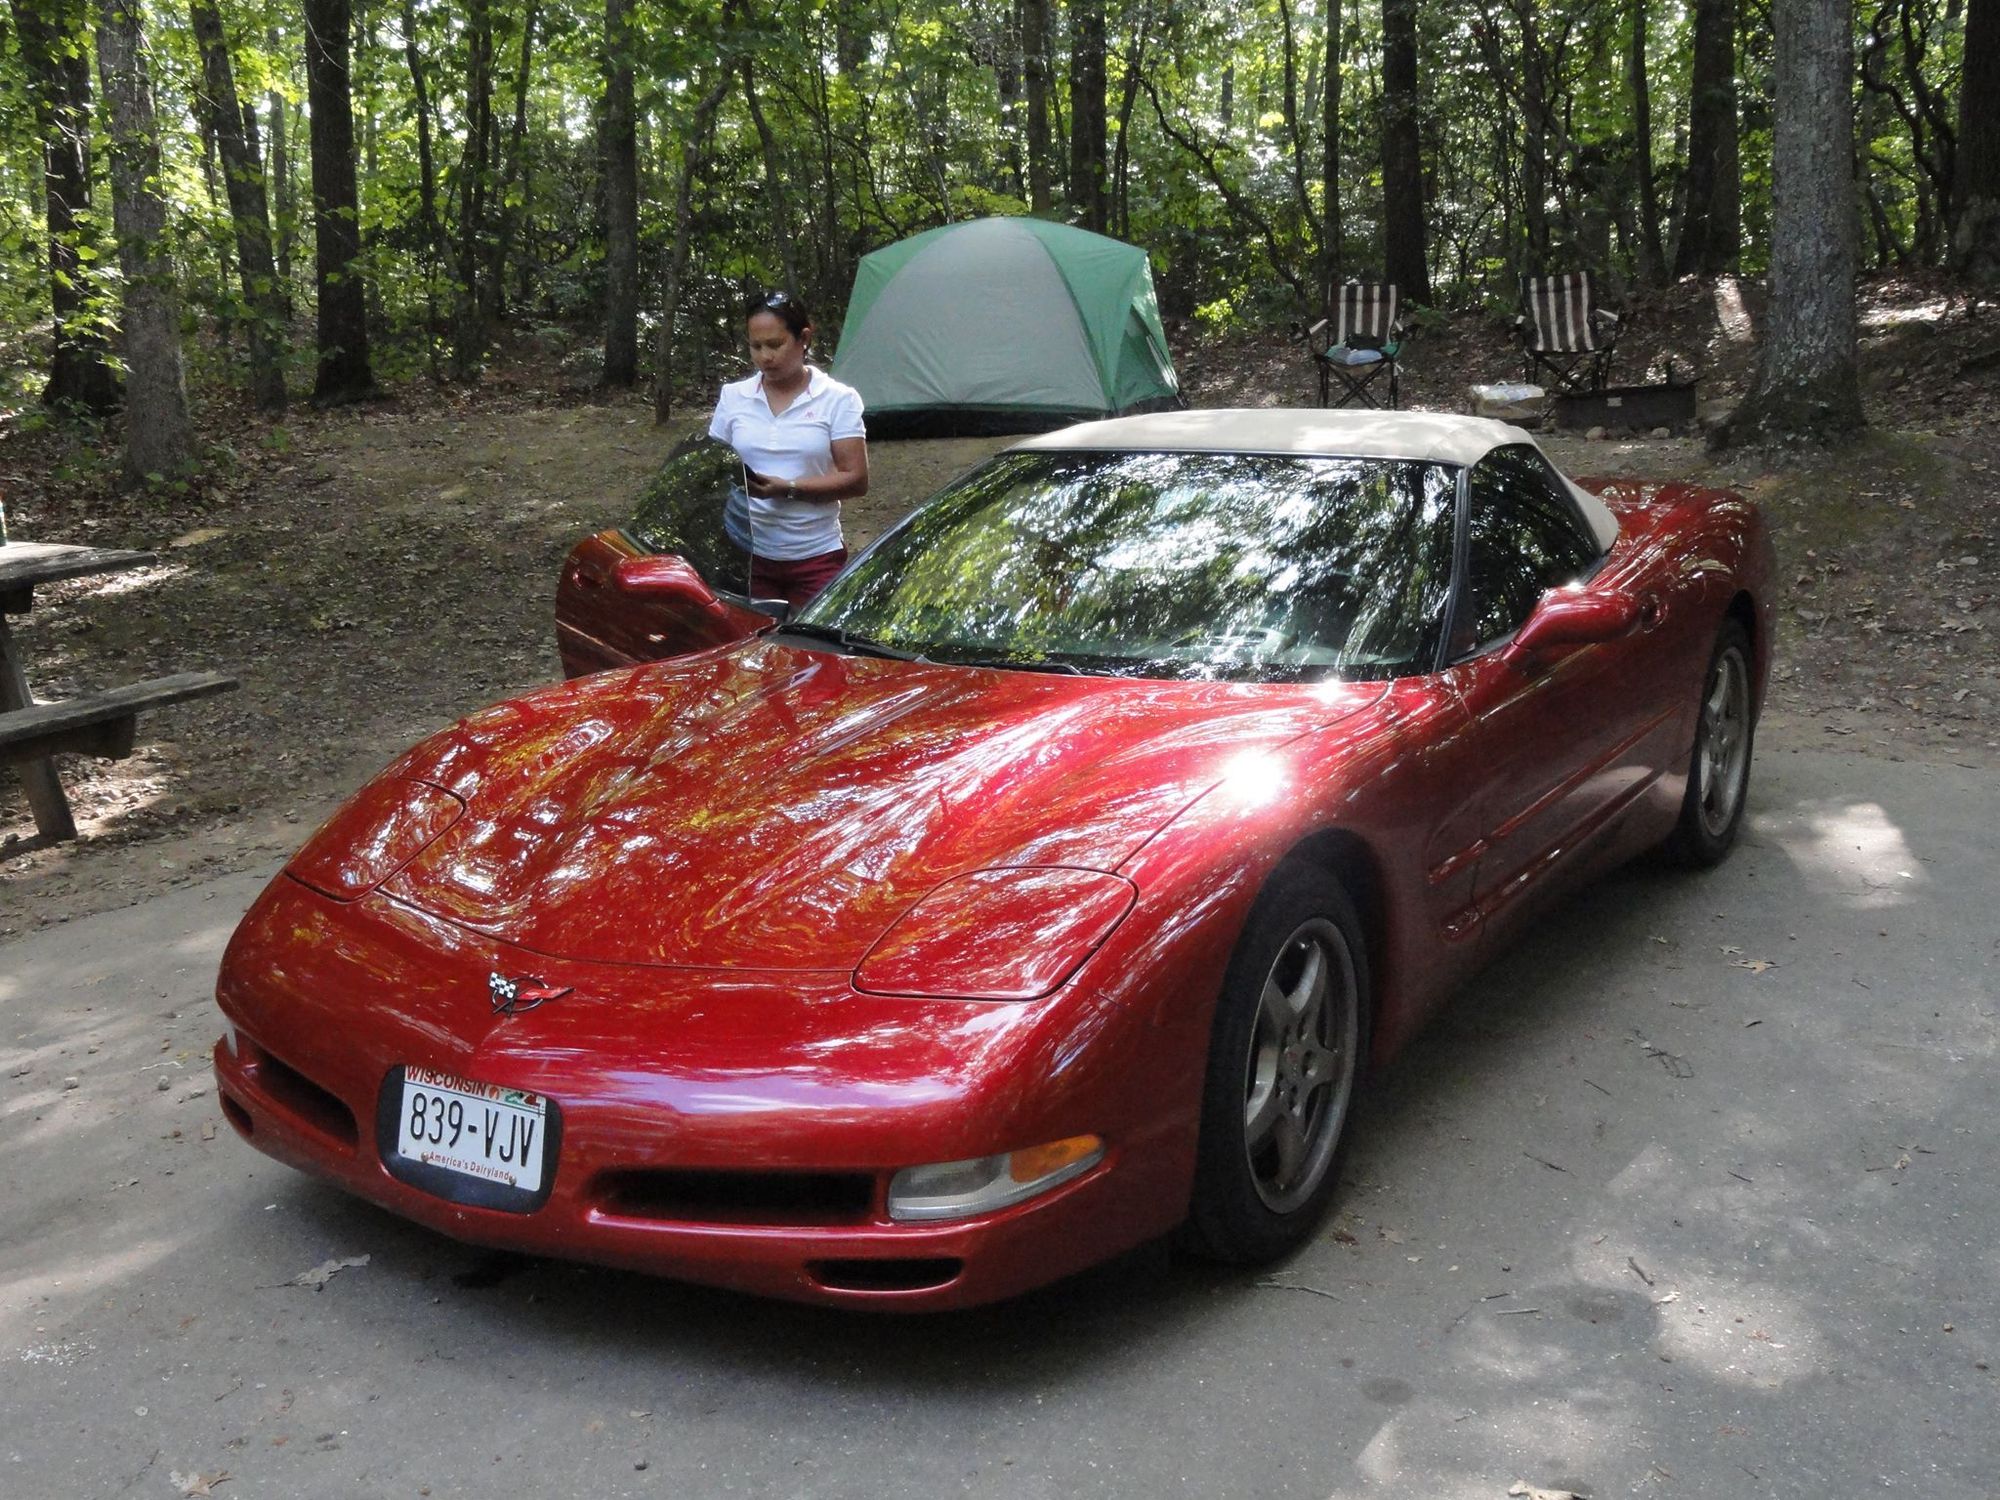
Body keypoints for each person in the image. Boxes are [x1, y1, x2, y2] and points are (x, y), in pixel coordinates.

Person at [707, 291, 868, 610]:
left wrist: (788, 489)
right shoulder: (734, 397)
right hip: (747, 555)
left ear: (803, 338)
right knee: (752, 639)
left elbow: (856, 479)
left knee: (813, 639)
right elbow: (712, 464)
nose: (765, 357)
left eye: (775, 344)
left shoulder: (838, 399)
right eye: (756, 346)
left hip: (816, 555)